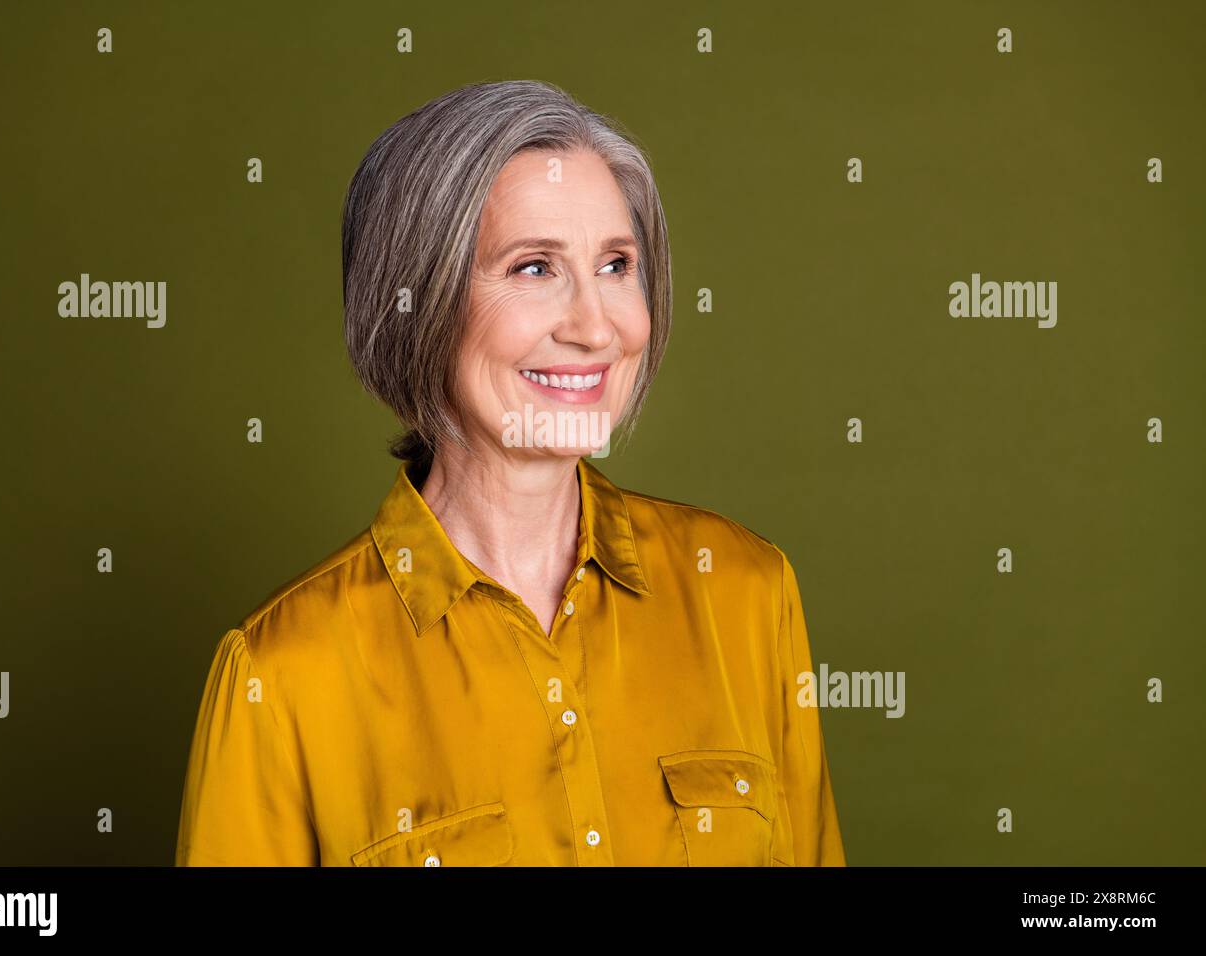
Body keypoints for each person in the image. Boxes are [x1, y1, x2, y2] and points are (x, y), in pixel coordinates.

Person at [175, 79, 845, 867]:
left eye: (617, 264)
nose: (596, 326)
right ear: (415, 303)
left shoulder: (747, 591)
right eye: (533, 268)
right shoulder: (282, 676)